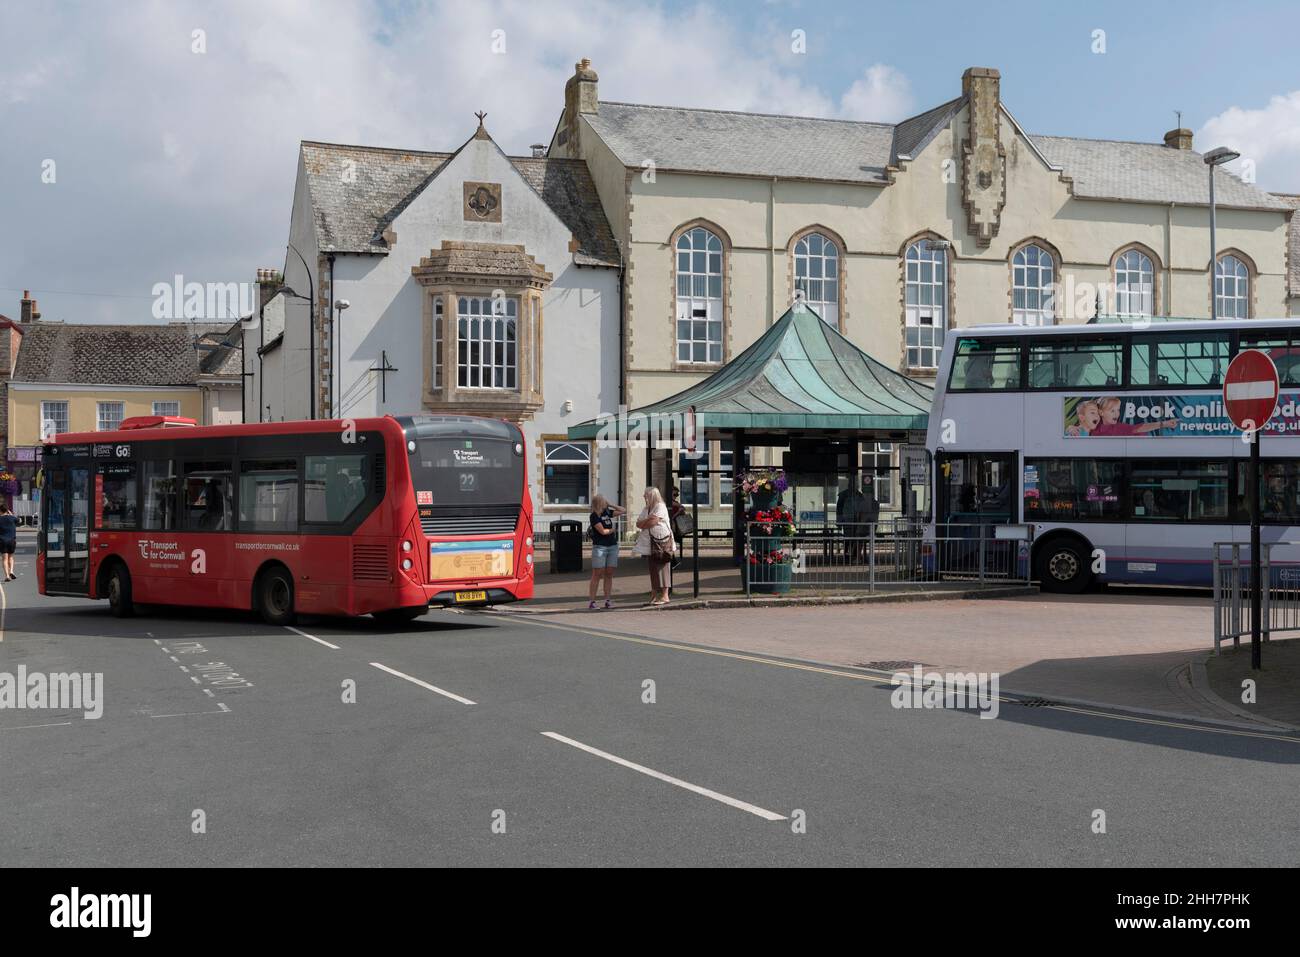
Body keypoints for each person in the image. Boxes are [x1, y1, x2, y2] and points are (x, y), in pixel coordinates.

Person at [632, 486, 675, 605]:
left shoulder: (660, 506)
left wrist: (647, 521)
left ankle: (665, 595)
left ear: (652, 496)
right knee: (653, 569)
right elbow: (638, 524)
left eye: (646, 494)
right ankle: (654, 595)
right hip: (650, 543)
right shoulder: (647, 508)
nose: (644, 496)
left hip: (662, 542)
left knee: (663, 567)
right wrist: (648, 520)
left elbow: (652, 522)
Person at [587, 494, 625, 610]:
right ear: (599, 503)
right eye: (603, 501)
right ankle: (592, 601)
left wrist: (611, 504)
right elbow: (603, 531)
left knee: (609, 573)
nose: (605, 503)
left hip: (612, 546)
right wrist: (612, 530)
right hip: (600, 547)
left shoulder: (607, 512)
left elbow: (623, 510)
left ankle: (607, 600)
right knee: (597, 574)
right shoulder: (594, 516)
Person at [0, 504, 16, 581]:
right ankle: (11, 571)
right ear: (7, 510)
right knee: (11, 557)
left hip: (2, 541)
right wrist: (11, 514)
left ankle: (7, 575)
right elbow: (19, 520)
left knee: (4, 559)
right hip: (12, 540)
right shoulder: (12, 518)